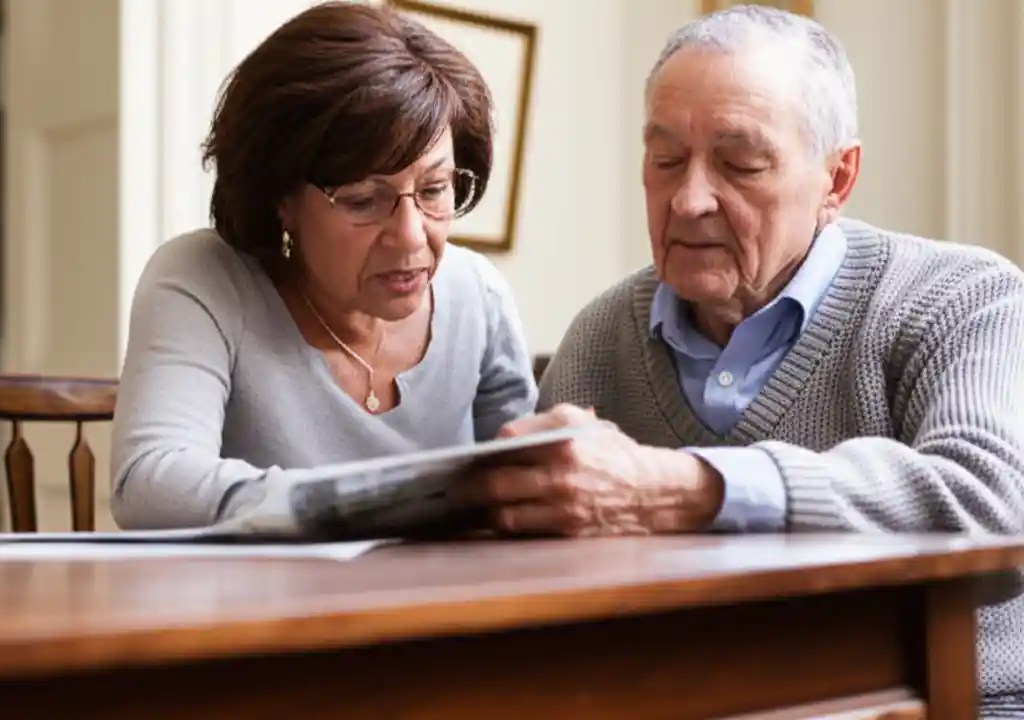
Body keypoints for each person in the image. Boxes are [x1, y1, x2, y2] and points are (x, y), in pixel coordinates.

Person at [451, 5, 1024, 710]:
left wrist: (691, 487)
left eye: (740, 164)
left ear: (837, 180)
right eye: (664, 161)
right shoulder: (599, 339)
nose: (688, 200)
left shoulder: (962, 297)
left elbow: (993, 503)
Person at [110, 2, 536, 530]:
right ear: (281, 198)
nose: (410, 234)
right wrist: (380, 499)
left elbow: (531, 488)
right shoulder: (204, 279)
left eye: (434, 189)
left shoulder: (479, 295)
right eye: (363, 200)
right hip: (265, 609)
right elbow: (150, 485)